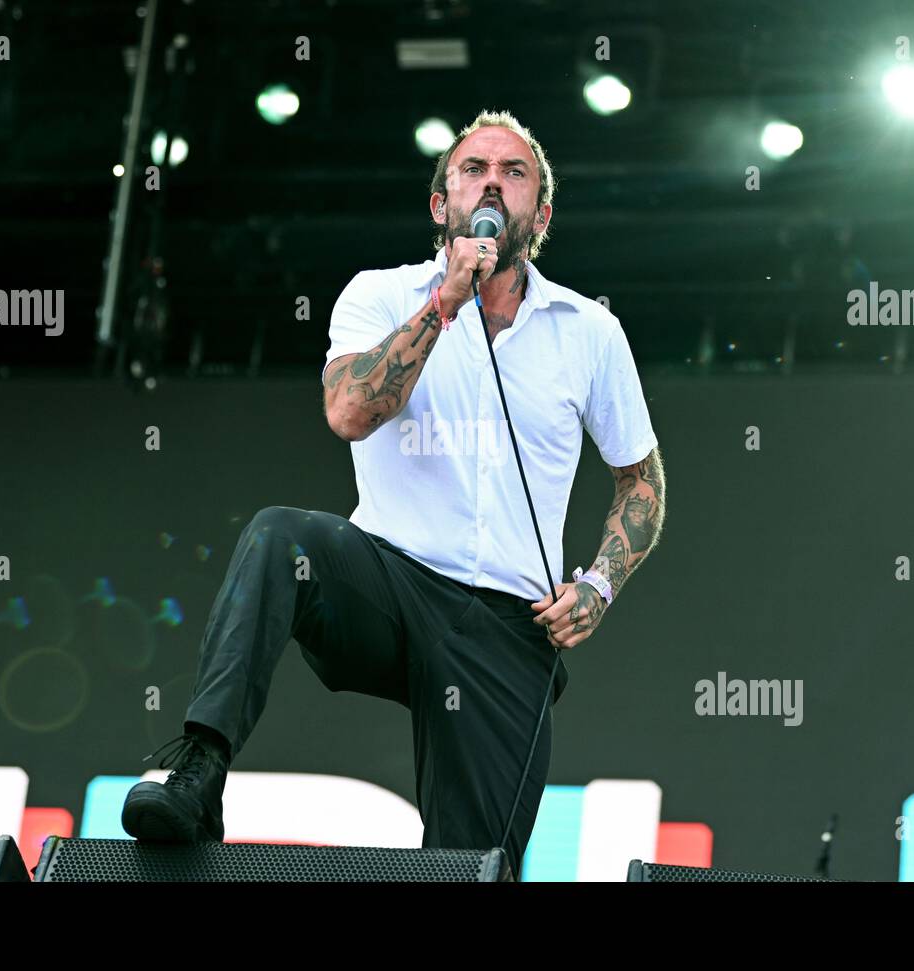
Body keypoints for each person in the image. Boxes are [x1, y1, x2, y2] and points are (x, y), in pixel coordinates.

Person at [120, 109, 665, 879]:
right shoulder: (379, 296)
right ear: (442, 203)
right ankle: (199, 768)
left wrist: (600, 584)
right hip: (388, 582)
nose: (492, 184)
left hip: (509, 624)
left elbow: (641, 478)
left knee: (474, 868)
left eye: (515, 174)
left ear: (539, 214)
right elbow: (348, 412)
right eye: (473, 170)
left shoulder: (589, 332)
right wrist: (445, 301)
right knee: (281, 537)